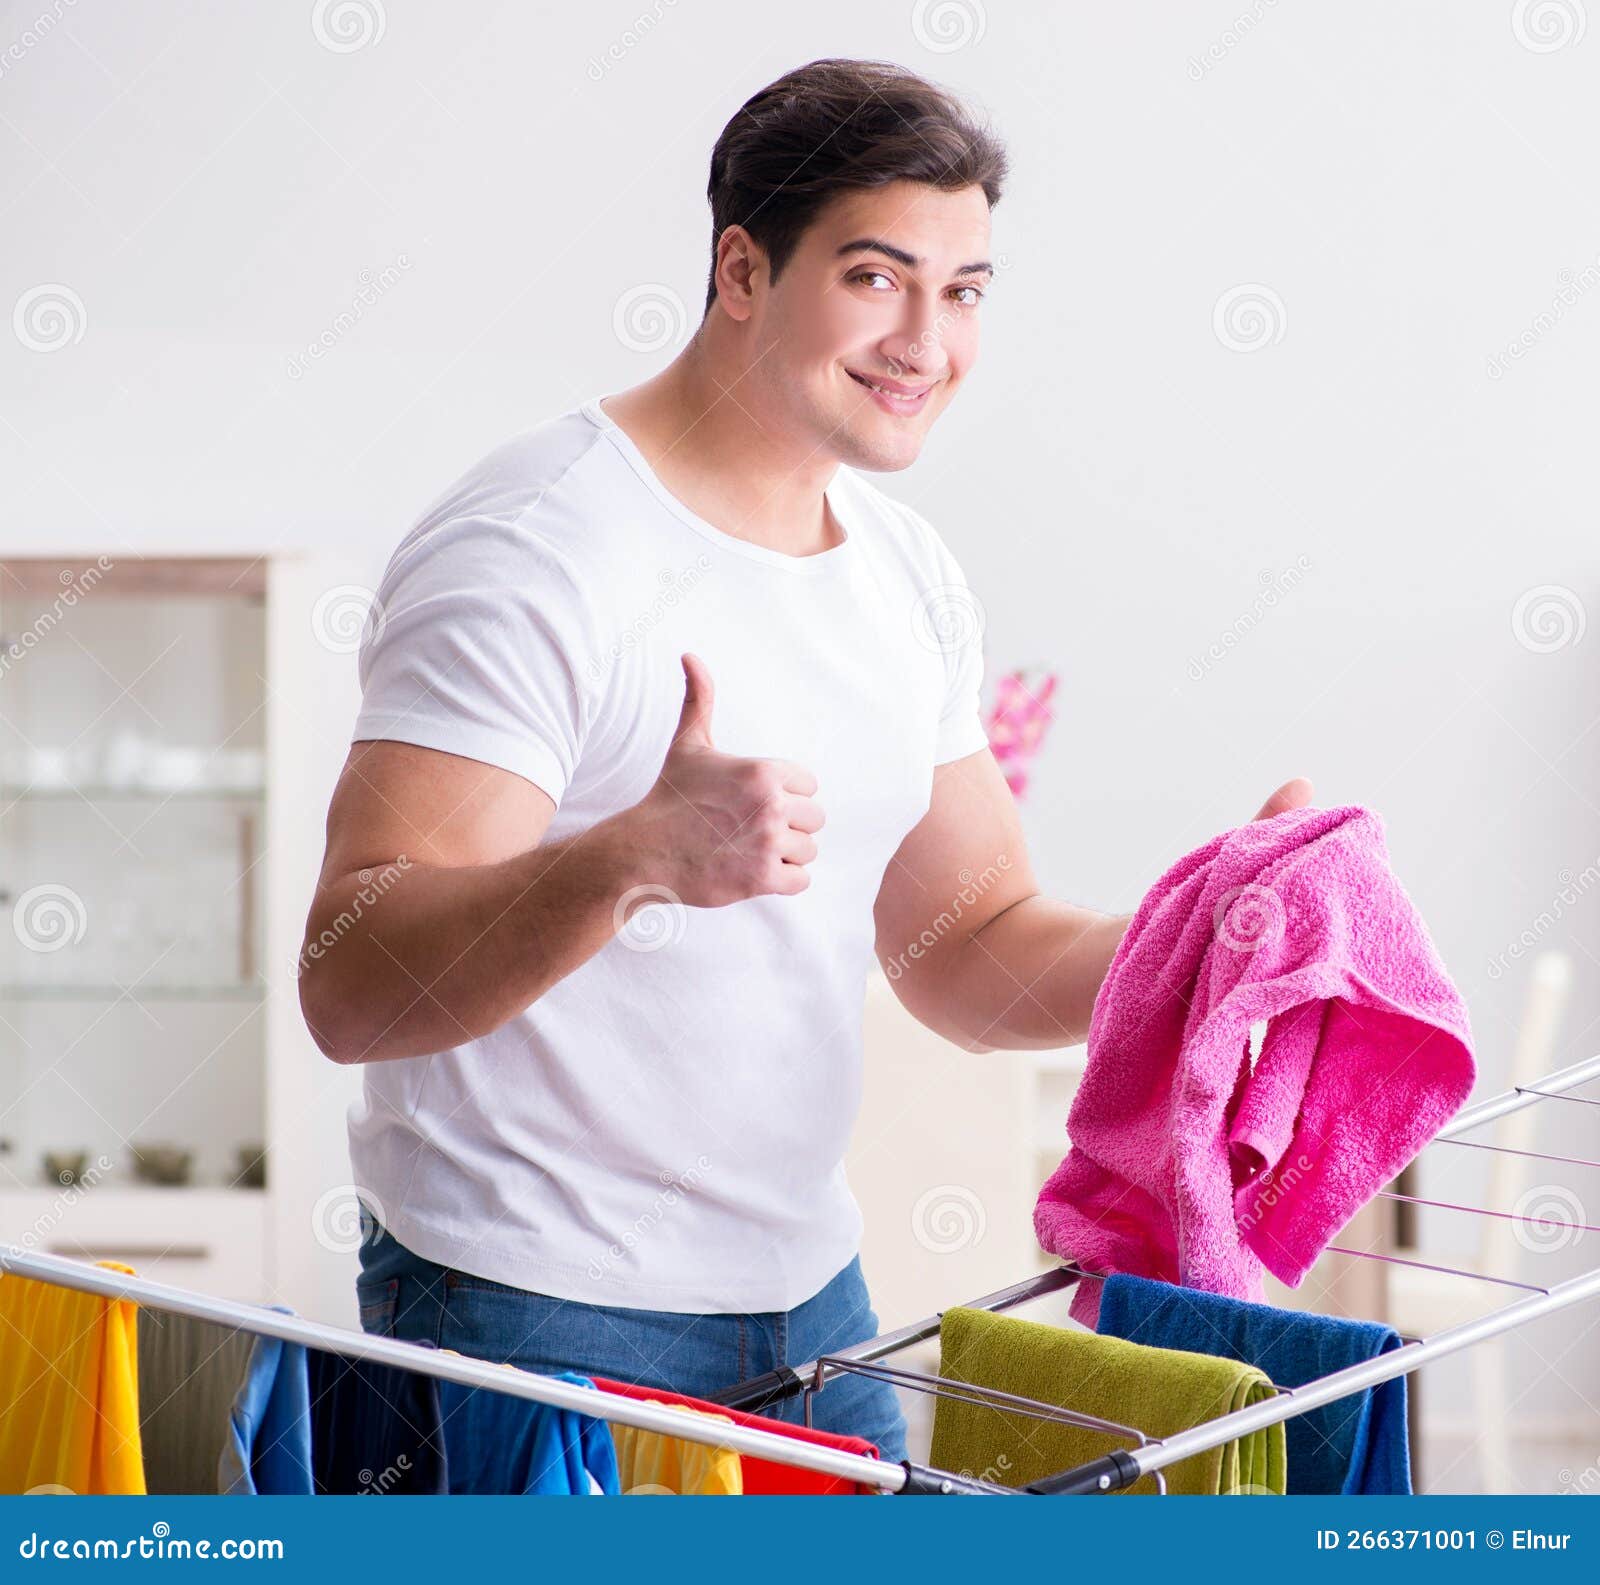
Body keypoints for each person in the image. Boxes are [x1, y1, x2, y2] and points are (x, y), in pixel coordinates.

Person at [298, 56, 1312, 1465]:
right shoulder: (537, 548)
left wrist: (1203, 934)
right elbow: (349, 979)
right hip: (527, 1314)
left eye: (963, 292)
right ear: (742, 271)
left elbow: (968, 946)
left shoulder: (904, 571)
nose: (926, 341)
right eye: (877, 277)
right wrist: (628, 858)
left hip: (807, 1310)